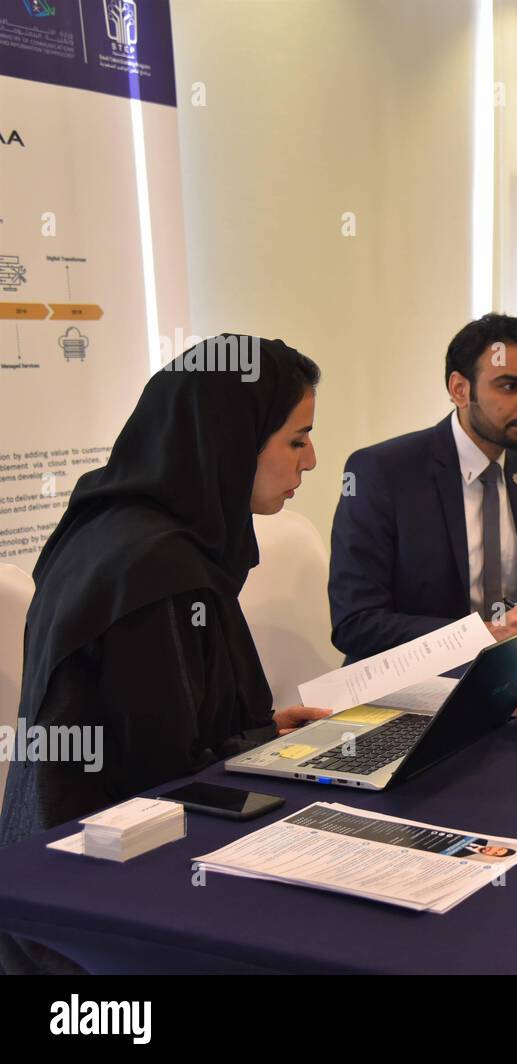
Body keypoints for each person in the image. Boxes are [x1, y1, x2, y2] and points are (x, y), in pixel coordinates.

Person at [0, 336, 331, 973]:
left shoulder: (113, 527)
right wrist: (258, 750)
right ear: (232, 439)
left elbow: (156, 740)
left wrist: (260, 735)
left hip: (57, 881)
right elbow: (165, 786)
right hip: (100, 921)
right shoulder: (157, 570)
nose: (311, 461)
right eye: (297, 439)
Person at [329, 314, 517, 662]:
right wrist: (481, 634)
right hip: (416, 682)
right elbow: (356, 623)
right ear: (459, 389)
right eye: (510, 387)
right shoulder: (383, 472)